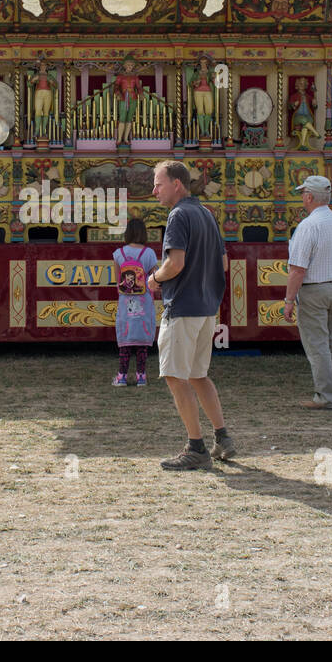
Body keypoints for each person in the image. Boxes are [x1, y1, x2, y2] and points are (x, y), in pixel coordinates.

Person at [146, 161, 233, 469]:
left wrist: (154, 279)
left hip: (183, 307)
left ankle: (196, 447)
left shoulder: (178, 215)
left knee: (174, 375)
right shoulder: (207, 215)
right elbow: (223, 263)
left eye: (159, 184)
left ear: (177, 184)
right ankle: (223, 437)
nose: (154, 190)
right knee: (198, 375)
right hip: (207, 307)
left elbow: (175, 264)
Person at [282, 175, 332, 409]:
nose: (303, 197)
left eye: (304, 193)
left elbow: (297, 270)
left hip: (315, 290)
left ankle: (325, 396)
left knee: (318, 345)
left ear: (310, 197)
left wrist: (289, 300)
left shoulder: (308, 226)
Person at [112, 217, 158, 387]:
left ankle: (122, 376)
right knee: (142, 342)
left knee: (125, 341)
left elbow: (117, 281)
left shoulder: (118, 254)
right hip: (144, 301)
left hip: (125, 302)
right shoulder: (149, 253)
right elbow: (155, 278)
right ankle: (141, 376)